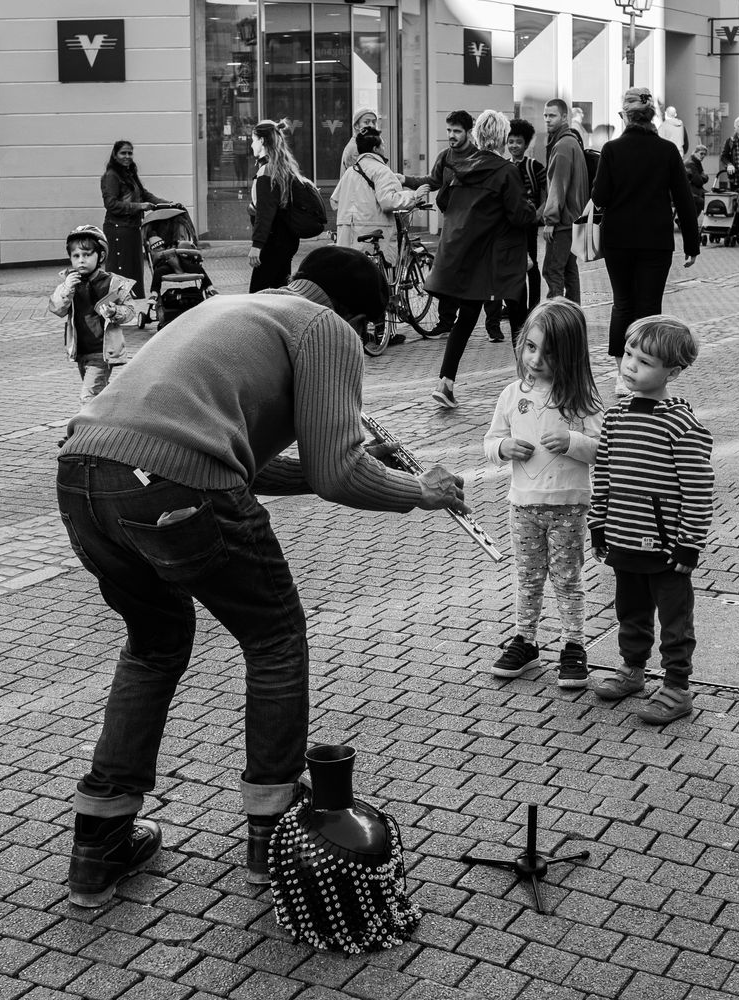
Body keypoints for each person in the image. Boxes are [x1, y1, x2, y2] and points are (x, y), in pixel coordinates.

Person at [55, 245, 470, 907]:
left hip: (82, 475)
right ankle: (271, 832)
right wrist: (418, 489)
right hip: (175, 480)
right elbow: (339, 473)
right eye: (369, 329)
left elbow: (244, 461)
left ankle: (98, 839)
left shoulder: (233, 308)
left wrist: (368, 468)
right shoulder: (324, 327)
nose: (364, 341)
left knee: (155, 644)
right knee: (274, 638)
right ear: (355, 314)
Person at [589, 316, 714, 725]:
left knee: (674, 620)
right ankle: (632, 669)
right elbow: (603, 473)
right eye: (628, 354)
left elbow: (698, 487)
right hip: (624, 537)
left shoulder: (680, 424)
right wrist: (598, 522)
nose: (630, 365)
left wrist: (689, 542)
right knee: (630, 610)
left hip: (666, 546)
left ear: (672, 372)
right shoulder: (616, 415)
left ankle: (677, 687)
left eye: (643, 361)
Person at [483, 299, 602, 687]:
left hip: (569, 506)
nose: (536, 360)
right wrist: (503, 449)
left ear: (569, 355)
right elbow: (490, 440)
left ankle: (573, 645)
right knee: (528, 576)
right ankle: (525, 639)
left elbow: (603, 449)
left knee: (567, 577)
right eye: (531, 347)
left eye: (548, 353)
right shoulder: (512, 393)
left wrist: (572, 441)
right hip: (524, 506)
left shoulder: (581, 397)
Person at [592, 87, 699, 397]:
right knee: (650, 308)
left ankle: (620, 374)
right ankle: (647, 371)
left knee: (622, 304)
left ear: (625, 116)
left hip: (619, 240)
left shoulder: (612, 150)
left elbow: (600, 197)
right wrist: (691, 245)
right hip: (656, 240)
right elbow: (685, 200)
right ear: (652, 116)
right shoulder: (667, 151)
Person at [426, 109, 536, 409]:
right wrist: (534, 209)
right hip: (500, 258)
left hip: (469, 256)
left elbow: (443, 200)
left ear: (476, 135)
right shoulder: (506, 171)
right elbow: (519, 214)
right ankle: (529, 383)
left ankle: (445, 382)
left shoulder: (462, 166)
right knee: (518, 316)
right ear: (502, 138)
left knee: (466, 317)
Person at [330, 126, 430, 346]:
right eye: (383, 144)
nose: (385, 147)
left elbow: (335, 200)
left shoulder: (350, 171)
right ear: (376, 148)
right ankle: (385, 332)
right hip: (374, 233)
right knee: (380, 282)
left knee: (354, 284)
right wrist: (414, 196)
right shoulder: (381, 170)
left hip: (348, 234)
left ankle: (359, 332)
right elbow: (388, 201)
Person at [400, 109, 477, 337]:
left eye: (457, 131)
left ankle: (488, 324)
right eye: (449, 130)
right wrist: (404, 179)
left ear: (469, 132)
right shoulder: (445, 156)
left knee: (471, 275)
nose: (451, 135)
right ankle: (446, 322)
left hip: (473, 226)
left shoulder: (478, 158)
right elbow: (432, 181)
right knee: (445, 273)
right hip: (451, 225)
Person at [49, 225, 136, 405]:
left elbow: (130, 312)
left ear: (101, 256)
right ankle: (114, 416)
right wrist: (66, 288)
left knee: (88, 397)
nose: (81, 260)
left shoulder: (113, 283)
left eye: (87, 255)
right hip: (81, 351)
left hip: (102, 352)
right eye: (76, 256)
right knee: (99, 394)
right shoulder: (69, 282)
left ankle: (84, 432)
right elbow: (57, 309)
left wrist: (115, 312)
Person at [483, 118, 546, 346]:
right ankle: (515, 309)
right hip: (512, 224)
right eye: (510, 141)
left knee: (531, 264)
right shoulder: (505, 165)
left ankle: (533, 305)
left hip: (528, 224)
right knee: (518, 266)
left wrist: (538, 216)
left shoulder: (534, 167)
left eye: (518, 142)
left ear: (526, 143)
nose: (513, 146)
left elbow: (545, 194)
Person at [101, 140, 177, 299]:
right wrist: (139, 207)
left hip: (132, 228)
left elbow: (145, 194)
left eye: (130, 153)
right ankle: (117, 307)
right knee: (121, 272)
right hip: (118, 229)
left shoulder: (128, 174)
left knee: (134, 270)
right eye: (123, 153)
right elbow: (111, 204)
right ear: (115, 155)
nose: (127, 156)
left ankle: (132, 306)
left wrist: (167, 204)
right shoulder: (111, 176)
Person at [248, 119, 305, 293]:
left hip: (272, 242)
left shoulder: (267, 171)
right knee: (280, 293)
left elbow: (266, 212)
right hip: (286, 240)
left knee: (257, 295)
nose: (251, 145)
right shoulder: (283, 167)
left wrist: (257, 245)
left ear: (262, 141)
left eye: (253, 140)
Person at [541, 99, 588, 304]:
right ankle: (573, 313)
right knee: (570, 270)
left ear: (564, 117)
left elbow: (557, 187)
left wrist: (550, 220)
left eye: (552, 115)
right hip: (574, 219)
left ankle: (556, 317)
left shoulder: (562, 146)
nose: (547, 120)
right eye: (545, 115)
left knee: (553, 271)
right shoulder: (571, 142)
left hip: (562, 222)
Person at [339, 107, 378, 174]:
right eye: (366, 122)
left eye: (374, 122)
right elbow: (364, 178)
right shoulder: (355, 148)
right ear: (356, 126)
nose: (372, 125)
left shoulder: (364, 144)